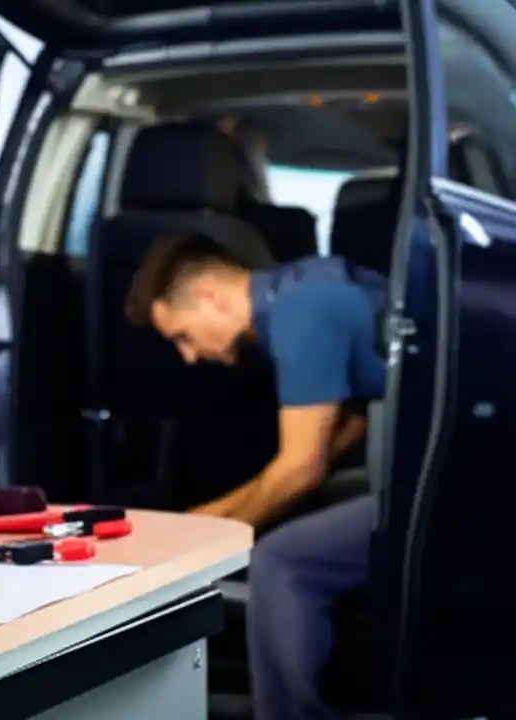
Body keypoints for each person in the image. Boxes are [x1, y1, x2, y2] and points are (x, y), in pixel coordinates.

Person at [123, 232, 387, 720]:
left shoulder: (300, 314)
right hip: (444, 464)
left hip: (465, 482)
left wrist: (199, 540)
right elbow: (348, 431)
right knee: (313, 508)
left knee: (283, 562)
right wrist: (203, 522)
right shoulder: (310, 285)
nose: (189, 356)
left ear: (210, 297)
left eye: (183, 336)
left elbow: (300, 468)